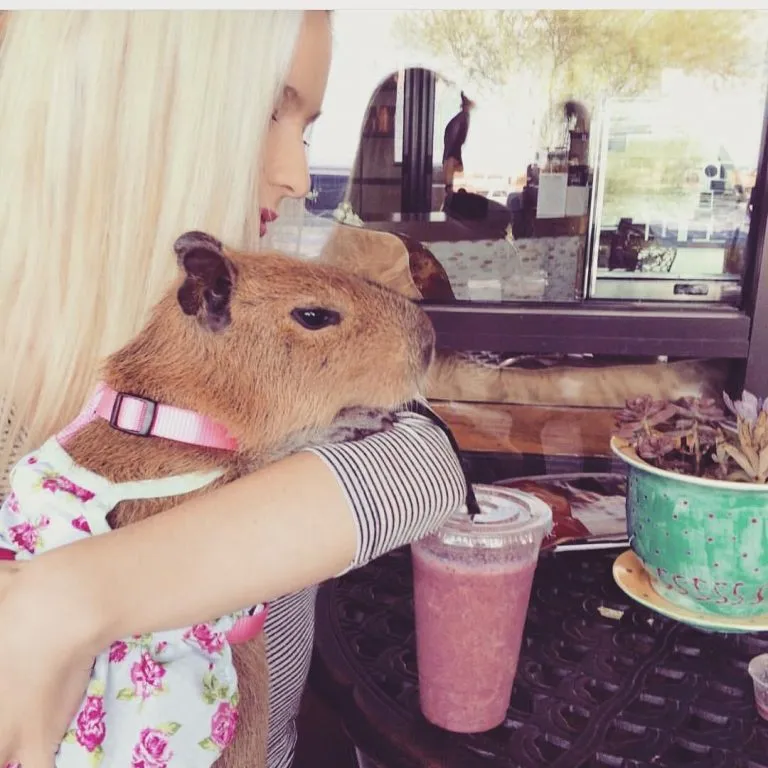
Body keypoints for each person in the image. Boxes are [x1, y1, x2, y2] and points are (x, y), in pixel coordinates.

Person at [0, 11, 466, 768]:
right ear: (123, 110)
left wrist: (67, 599)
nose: (297, 174)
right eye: (265, 115)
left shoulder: (251, 313)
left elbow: (425, 462)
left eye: (305, 129)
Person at [441, 90, 476, 206]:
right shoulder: (463, 117)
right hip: (453, 148)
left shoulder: (462, 117)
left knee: (453, 167)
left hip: (453, 148)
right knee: (452, 167)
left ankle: (449, 192)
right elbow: (457, 136)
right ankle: (449, 192)